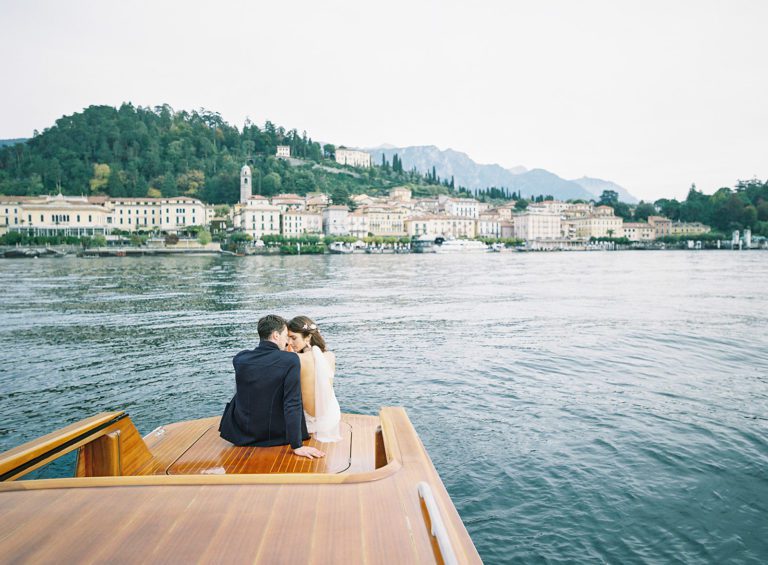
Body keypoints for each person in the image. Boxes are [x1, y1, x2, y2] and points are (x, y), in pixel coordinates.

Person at [219, 314, 325, 459]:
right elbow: (292, 403)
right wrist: (297, 445)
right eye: (285, 336)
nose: (287, 341)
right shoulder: (290, 360)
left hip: (242, 434)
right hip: (275, 435)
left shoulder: (240, 359)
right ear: (276, 335)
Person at [286, 316, 342, 442]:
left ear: (308, 337)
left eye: (293, 338)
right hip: (330, 419)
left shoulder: (295, 359)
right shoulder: (330, 356)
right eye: (288, 338)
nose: (289, 342)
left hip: (307, 425)